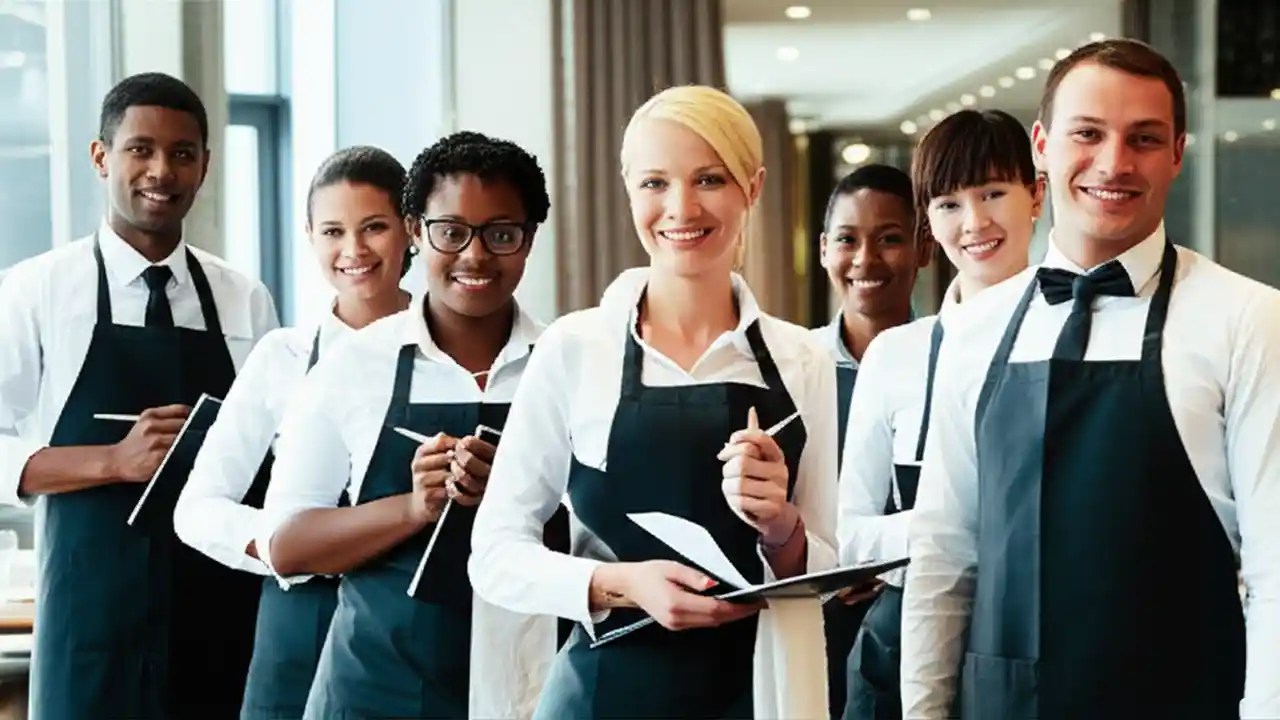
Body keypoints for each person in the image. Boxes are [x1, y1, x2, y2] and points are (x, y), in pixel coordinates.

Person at [901, 39, 1280, 719]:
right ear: (1043, 145)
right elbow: (943, 561)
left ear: (1177, 154)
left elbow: (1276, 569)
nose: (1114, 162)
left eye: (1143, 138)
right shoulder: (973, 329)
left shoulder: (1248, 318)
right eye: (1088, 134)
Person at [470, 84, 840, 720]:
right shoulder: (574, 349)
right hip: (602, 693)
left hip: (756, 692)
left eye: (709, 179)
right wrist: (622, 584)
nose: (681, 207)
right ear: (628, 188)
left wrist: (781, 527)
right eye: (655, 183)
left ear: (752, 188)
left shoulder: (801, 358)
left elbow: (830, 563)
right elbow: (495, 556)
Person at [0, 72, 278, 718]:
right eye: (140, 150)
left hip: (222, 617)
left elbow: (274, 448)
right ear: (102, 157)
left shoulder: (244, 297)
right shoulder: (36, 290)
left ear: (204, 167)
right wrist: (112, 461)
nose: (162, 171)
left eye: (182, 154)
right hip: (89, 621)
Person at [259, 131, 559, 719]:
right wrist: (414, 508)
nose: (474, 255)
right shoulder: (351, 366)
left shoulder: (563, 366)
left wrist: (521, 498)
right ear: (417, 232)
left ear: (528, 242)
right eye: (451, 232)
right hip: (376, 687)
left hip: (526, 684)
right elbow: (286, 546)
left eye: (501, 234)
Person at [173, 145, 415, 719]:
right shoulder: (282, 356)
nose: (353, 250)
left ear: (411, 229)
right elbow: (197, 507)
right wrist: (285, 545)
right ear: (309, 234)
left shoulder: (449, 352)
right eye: (332, 231)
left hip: (411, 626)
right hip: (300, 623)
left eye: (374, 227)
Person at [839, 109, 1040, 720]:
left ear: (1036, 195)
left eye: (993, 194)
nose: (973, 222)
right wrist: (962, 529)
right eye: (948, 203)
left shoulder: (1072, 341)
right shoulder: (896, 354)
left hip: (1030, 634)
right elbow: (852, 535)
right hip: (896, 647)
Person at [810, 163, 927, 719]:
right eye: (847, 240)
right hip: (811, 626)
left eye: (890, 240)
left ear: (924, 248)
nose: (865, 260)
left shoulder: (952, 360)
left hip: (916, 621)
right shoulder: (791, 367)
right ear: (823, 250)